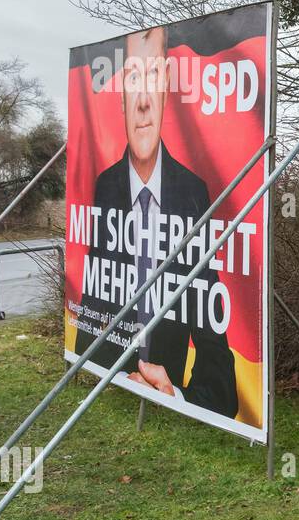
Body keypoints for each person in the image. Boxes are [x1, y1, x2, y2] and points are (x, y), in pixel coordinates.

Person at [72, 26, 237, 417]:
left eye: (153, 77)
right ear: (121, 101)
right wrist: (101, 371)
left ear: (165, 93)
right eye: (133, 78)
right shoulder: (104, 186)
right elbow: (95, 301)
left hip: (170, 386)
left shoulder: (193, 191)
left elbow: (218, 369)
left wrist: (176, 397)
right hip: (110, 382)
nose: (143, 100)